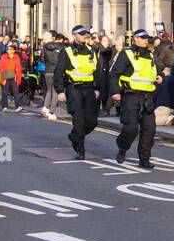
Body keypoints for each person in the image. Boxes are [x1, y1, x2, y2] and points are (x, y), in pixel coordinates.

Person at [111, 29, 161, 168]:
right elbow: (114, 73)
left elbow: (156, 70)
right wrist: (115, 92)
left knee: (149, 130)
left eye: (147, 38)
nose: (146, 40)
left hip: (147, 97)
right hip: (131, 96)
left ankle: (144, 159)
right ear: (135, 39)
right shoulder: (126, 53)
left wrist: (160, 76)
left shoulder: (150, 55)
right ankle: (122, 148)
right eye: (143, 38)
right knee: (131, 129)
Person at [55, 26, 99, 160]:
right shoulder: (66, 52)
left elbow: (96, 71)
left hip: (89, 89)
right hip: (74, 89)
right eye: (81, 34)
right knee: (79, 121)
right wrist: (60, 91)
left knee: (92, 121)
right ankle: (80, 149)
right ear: (74, 36)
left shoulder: (92, 50)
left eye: (86, 34)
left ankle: (75, 136)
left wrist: (97, 88)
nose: (85, 36)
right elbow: (59, 72)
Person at [0, 42, 24, 111]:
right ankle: (4, 106)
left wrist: (18, 78)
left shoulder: (16, 57)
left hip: (13, 76)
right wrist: (1, 77)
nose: (9, 51)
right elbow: (0, 67)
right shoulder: (3, 56)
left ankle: (18, 106)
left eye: (11, 49)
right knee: (4, 91)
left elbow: (19, 68)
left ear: (14, 50)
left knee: (16, 91)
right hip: (5, 75)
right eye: (8, 49)